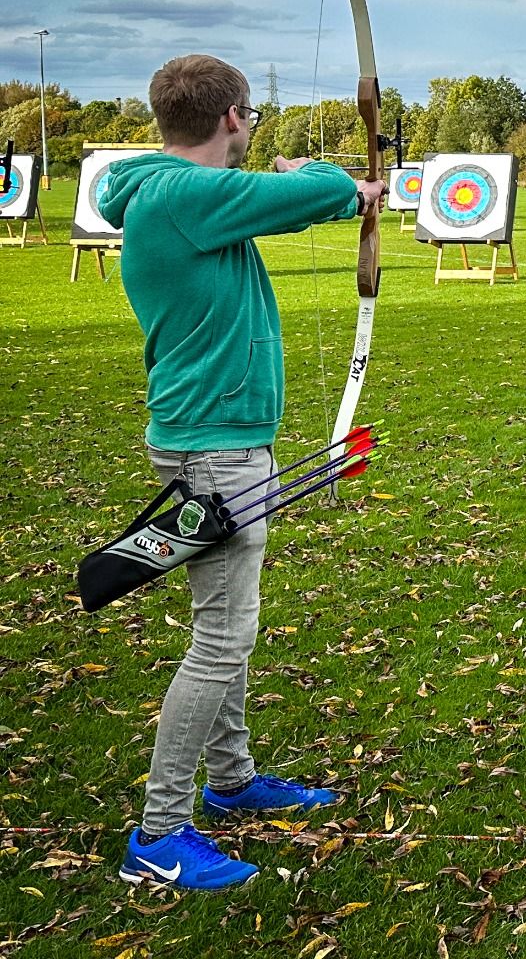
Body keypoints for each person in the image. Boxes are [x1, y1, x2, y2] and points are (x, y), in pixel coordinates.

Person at [99, 54, 386, 890]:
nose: (252, 125)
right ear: (232, 116)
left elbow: (280, 203)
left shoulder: (174, 198)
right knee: (222, 638)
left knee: (226, 626)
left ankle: (229, 781)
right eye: (251, 113)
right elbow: (311, 197)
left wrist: (307, 181)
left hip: (218, 436)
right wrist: (333, 181)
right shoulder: (181, 196)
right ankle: (159, 832)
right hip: (212, 443)